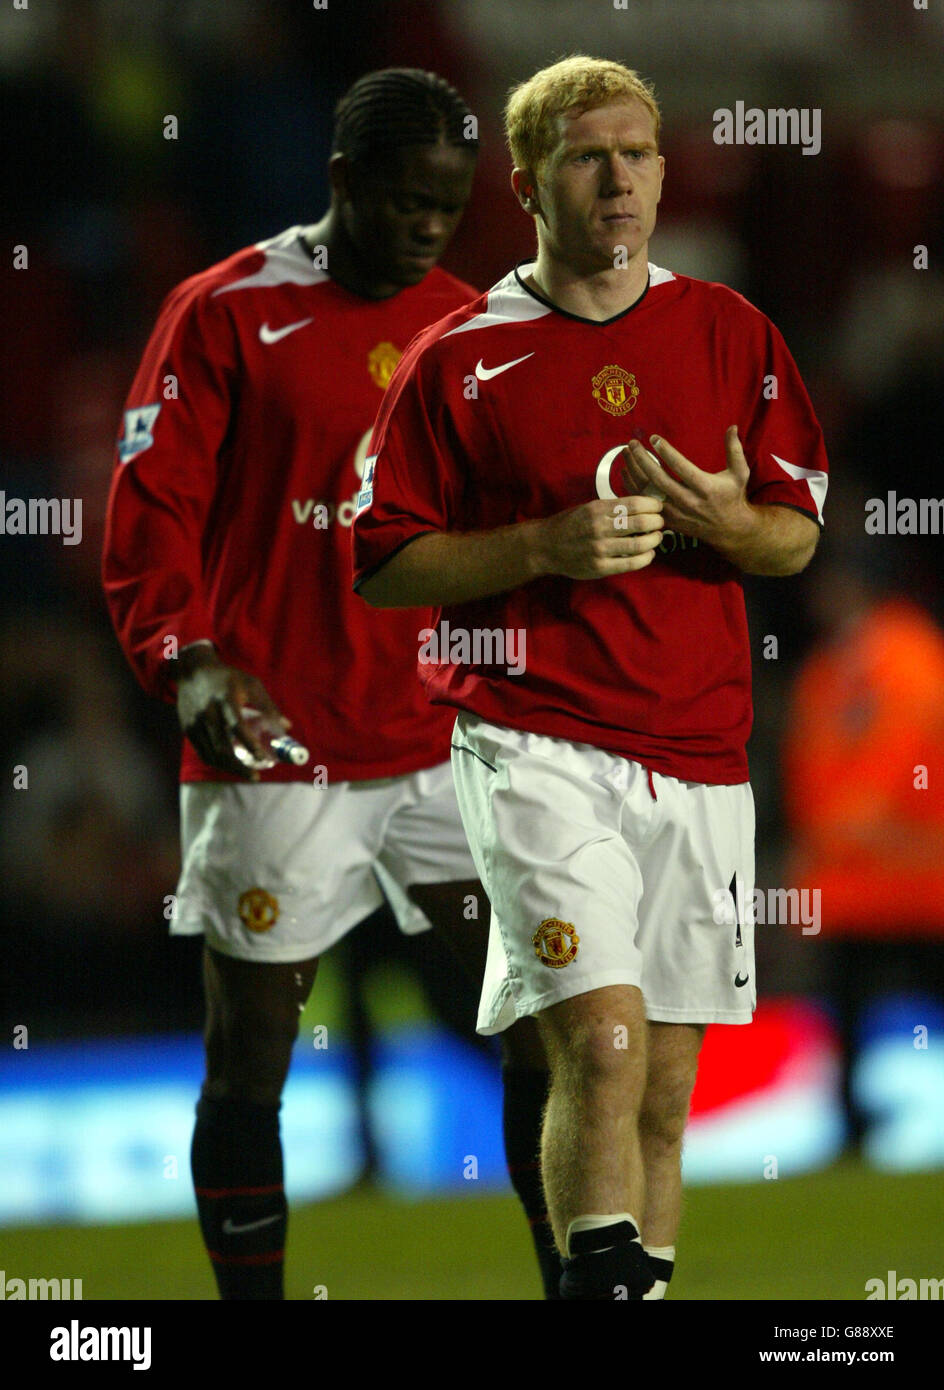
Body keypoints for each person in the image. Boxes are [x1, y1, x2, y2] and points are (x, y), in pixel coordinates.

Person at [353, 55, 829, 1300]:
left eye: (635, 151)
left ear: (664, 172)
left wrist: (731, 523)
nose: (615, 176)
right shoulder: (459, 358)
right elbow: (384, 562)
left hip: (700, 751)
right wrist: (538, 547)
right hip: (534, 742)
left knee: (664, 1094)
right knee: (603, 1053)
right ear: (526, 184)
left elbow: (795, 533)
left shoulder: (731, 333)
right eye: (584, 154)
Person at [103, 67, 550, 1302]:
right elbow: (151, 519)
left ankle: (575, 1284)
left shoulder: (474, 325)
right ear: (342, 178)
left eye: (447, 209)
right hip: (276, 745)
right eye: (403, 200)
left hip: (433, 740)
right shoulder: (224, 311)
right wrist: (185, 661)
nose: (424, 228)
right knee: (250, 1056)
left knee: (538, 1030)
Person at [783, 548, 944, 1150]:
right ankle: (850, 1125)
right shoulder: (830, 666)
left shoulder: (906, 652)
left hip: (913, 870)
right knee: (846, 1008)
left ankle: (855, 1122)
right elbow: (807, 767)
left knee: (890, 993)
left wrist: (858, 816)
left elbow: (906, 747)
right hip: (851, 881)